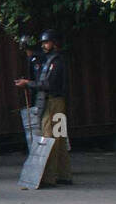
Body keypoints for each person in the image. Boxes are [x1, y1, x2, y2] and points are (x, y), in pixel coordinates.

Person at [14, 29, 72, 187]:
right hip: (57, 103)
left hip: (53, 103)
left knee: (50, 139)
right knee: (60, 138)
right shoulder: (54, 59)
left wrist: (28, 84)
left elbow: (47, 84)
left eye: (47, 42)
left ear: (55, 42)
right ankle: (64, 175)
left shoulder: (56, 62)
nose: (44, 46)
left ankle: (49, 177)